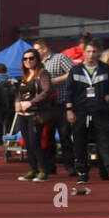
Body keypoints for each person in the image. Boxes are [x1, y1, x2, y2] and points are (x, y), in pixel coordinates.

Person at [66, 41, 109, 184]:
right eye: (89, 51)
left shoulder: (106, 69)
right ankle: (83, 173)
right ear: (84, 53)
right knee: (79, 143)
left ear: (99, 53)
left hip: (101, 112)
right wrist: (69, 110)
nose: (91, 54)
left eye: (94, 51)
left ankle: (108, 171)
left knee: (105, 143)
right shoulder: (76, 70)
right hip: (80, 112)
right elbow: (69, 92)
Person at [35, 39, 75, 175]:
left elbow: (73, 72)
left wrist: (53, 81)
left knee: (65, 136)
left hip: (62, 103)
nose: (35, 53)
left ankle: (70, 167)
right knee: (48, 137)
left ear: (44, 49)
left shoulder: (60, 58)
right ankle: (50, 167)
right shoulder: (38, 65)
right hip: (47, 106)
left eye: (37, 49)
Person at [15, 48, 54, 180]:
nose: (28, 61)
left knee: (35, 142)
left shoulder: (42, 73)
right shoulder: (25, 76)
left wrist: (31, 103)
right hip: (23, 115)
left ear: (37, 59)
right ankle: (32, 169)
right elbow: (20, 93)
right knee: (27, 142)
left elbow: (46, 90)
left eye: (31, 58)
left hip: (36, 114)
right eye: (25, 59)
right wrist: (17, 103)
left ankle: (43, 170)